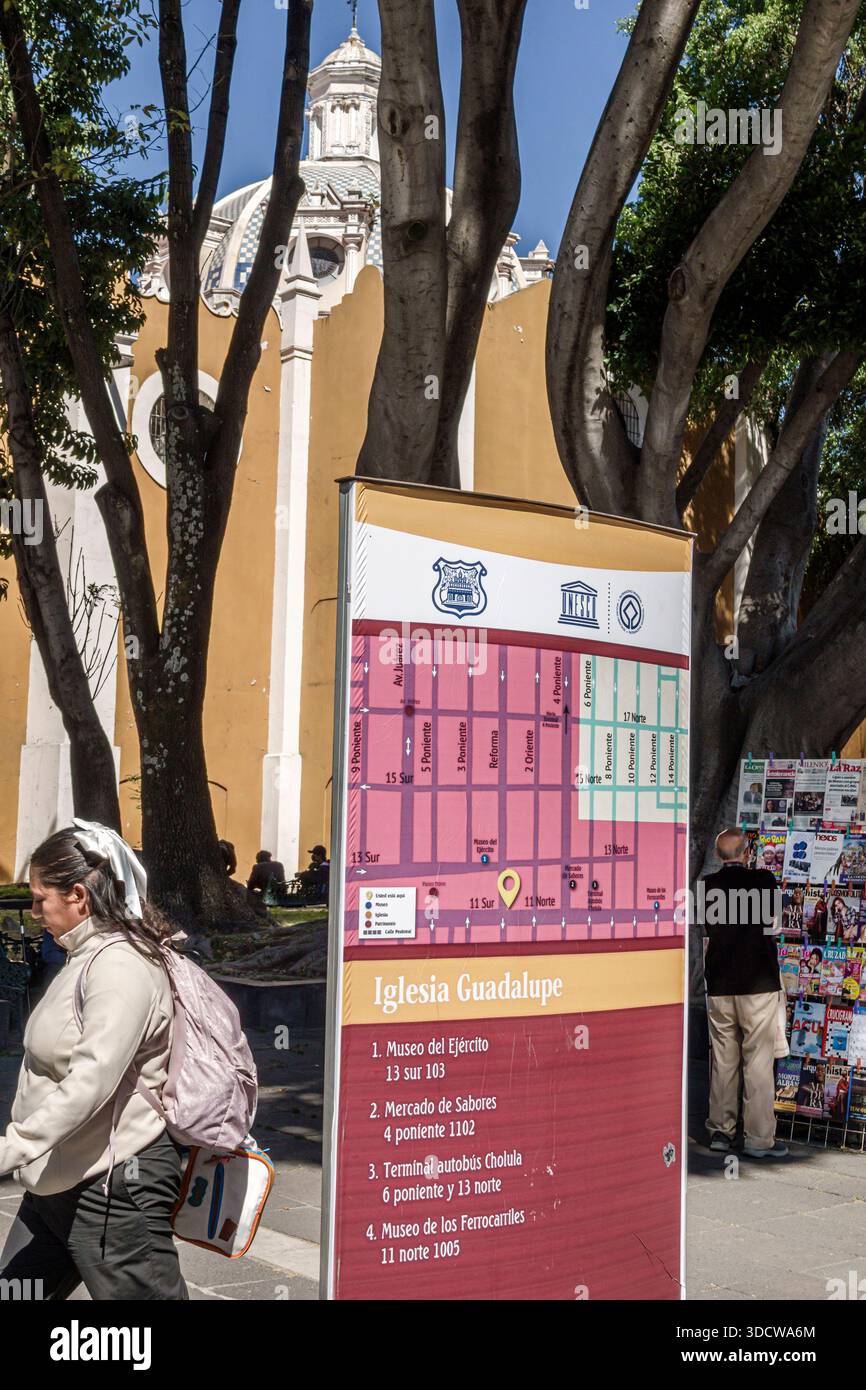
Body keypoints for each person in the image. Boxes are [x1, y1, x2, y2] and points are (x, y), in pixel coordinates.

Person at [0, 819, 187, 1300]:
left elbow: (91, 1079)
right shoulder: (83, 956)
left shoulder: (121, 964)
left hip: (112, 1190)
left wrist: (13, 1148)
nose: (34, 909)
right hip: (57, 1179)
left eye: (41, 898)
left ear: (78, 896)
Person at [701, 827, 788, 1160]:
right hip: (758, 985)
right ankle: (758, 1138)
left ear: (718, 856)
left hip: (720, 985)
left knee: (723, 1060)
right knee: (758, 1062)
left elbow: (707, 931)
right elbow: (775, 927)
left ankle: (721, 1131)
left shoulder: (705, 887)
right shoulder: (764, 881)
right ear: (746, 852)